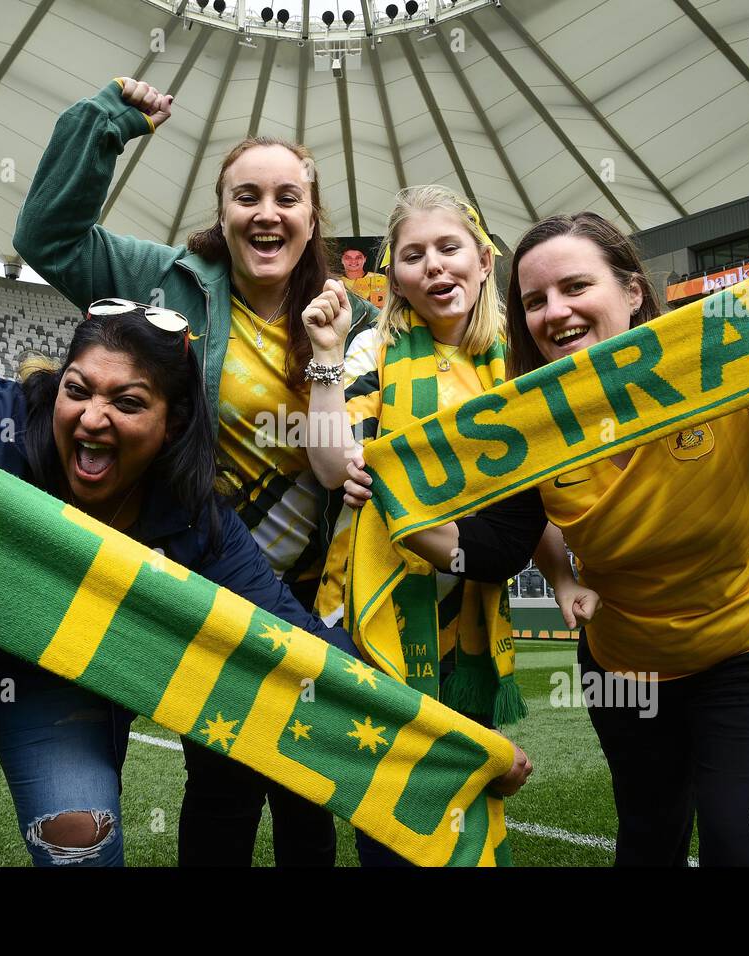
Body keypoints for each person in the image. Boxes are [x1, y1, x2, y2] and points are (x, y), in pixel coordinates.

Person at [350, 198, 749, 866]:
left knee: (741, 840)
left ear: (634, 291)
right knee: (647, 837)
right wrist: (399, 509)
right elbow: (495, 549)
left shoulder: (724, 352)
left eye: (576, 287)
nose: (554, 312)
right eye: (534, 300)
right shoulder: (533, 420)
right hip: (628, 668)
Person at [0, 300, 360, 867]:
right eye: (77, 390)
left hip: (52, 672)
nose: (92, 418)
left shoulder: (192, 514)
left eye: (127, 402)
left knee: (83, 839)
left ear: (173, 422)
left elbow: (289, 632)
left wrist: (405, 700)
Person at [12, 77, 378, 866]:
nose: (267, 213)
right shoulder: (163, 283)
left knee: (309, 785)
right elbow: (49, 240)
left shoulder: (357, 318)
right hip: (205, 580)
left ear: (313, 218)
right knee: (221, 777)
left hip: (319, 586)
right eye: (246, 196)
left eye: (288, 197)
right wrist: (104, 121)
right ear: (223, 213)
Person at [300, 184, 534, 866]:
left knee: (465, 801)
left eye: (448, 248)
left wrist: (561, 575)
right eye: (413, 255)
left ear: (484, 260)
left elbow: (536, 494)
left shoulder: (515, 364)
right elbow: (327, 464)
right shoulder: (372, 350)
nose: (433, 265)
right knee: (390, 810)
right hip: (374, 611)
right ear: (394, 275)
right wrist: (324, 355)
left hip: (468, 620)